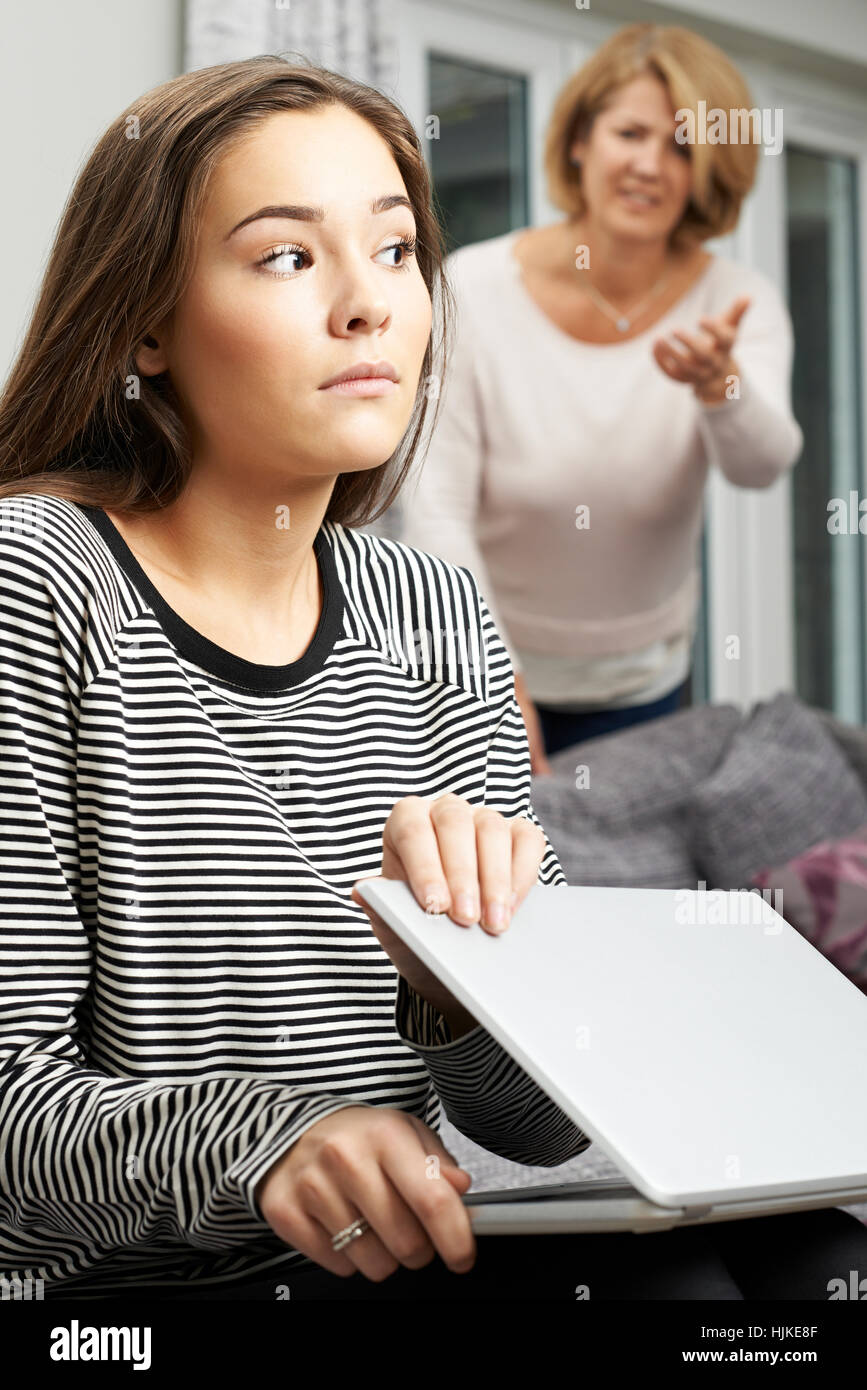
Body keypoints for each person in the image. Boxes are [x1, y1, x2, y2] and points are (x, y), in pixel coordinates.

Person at [0, 55, 862, 1304]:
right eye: (288, 256)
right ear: (144, 322)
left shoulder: (439, 613)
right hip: (143, 1293)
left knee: (824, 1261)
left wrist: (455, 992)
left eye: (396, 250)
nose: (373, 307)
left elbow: (535, 1126)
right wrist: (271, 1141)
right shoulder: (38, 580)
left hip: (406, 1253)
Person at [400, 24, 803, 772]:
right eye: (630, 133)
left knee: (618, 878)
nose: (650, 165)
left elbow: (764, 461)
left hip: (639, 681)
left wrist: (723, 388)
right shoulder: (473, 291)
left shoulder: (735, 299)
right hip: (472, 667)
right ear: (580, 139)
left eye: (682, 146)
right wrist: (496, 690)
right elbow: (435, 506)